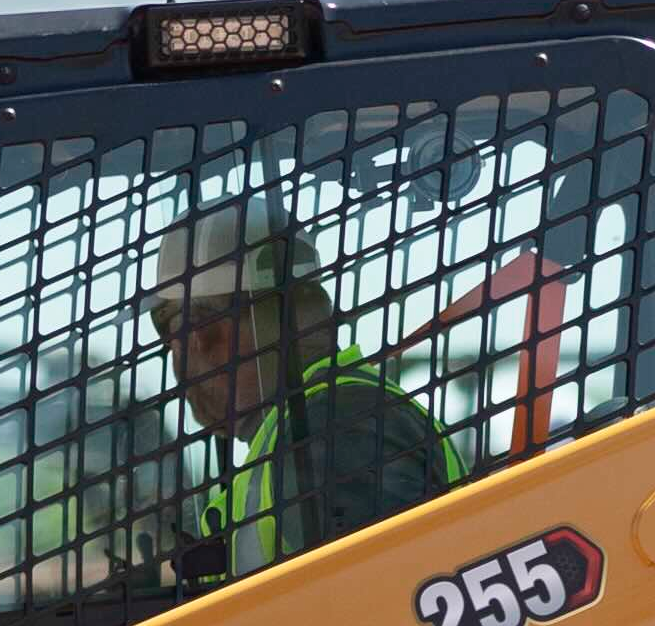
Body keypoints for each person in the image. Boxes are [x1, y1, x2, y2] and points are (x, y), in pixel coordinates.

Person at [148, 201, 462, 579]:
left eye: (169, 333)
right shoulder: (318, 421)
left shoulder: (332, 431)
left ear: (197, 333)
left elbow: (382, 602)